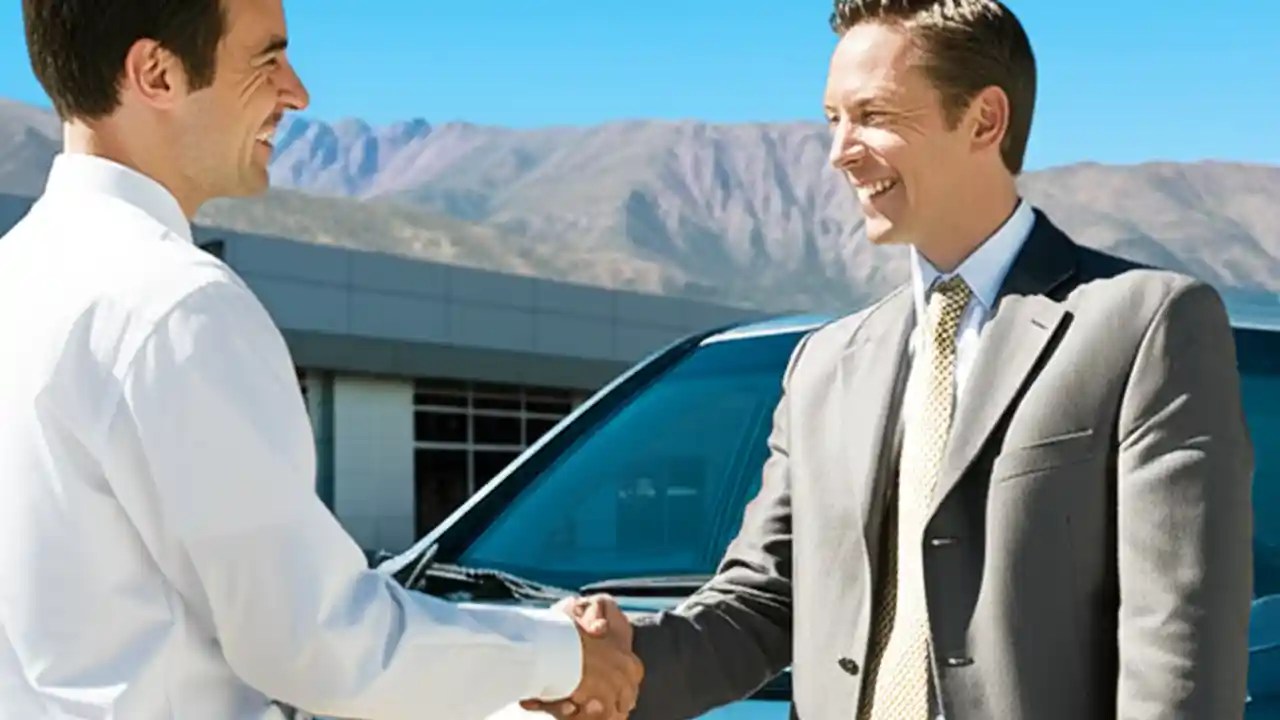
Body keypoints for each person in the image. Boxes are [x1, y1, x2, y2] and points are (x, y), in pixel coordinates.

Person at [526, 0, 1255, 718]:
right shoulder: (823, 365)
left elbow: (1176, 638)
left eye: (872, 116)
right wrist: (618, 658)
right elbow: (762, 602)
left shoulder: (1146, 324)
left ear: (983, 120)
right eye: (833, 119)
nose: (840, 150)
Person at [0, 1, 642, 718]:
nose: (297, 91)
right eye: (266, 59)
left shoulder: (17, 279)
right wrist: (564, 658)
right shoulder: (174, 305)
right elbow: (317, 643)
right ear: (158, 72)